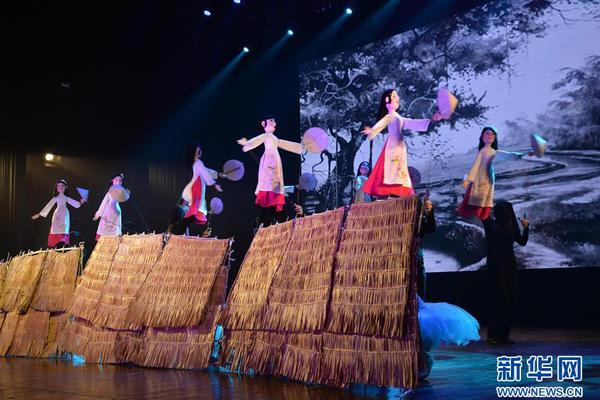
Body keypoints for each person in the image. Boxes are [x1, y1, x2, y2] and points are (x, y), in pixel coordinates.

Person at [362, 89, 441, 198]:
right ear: (387, 100)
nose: (397, 98)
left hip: (399, 149)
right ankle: (395, 193)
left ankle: (406, 192)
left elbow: (413, 123)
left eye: (397, 96)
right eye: (394, 96)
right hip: (393, 148)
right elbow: (381, 124)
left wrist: (431, 121)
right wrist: (372, 131)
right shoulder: (390, 116)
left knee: (401, 171)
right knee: (394, 171)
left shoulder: (399, 118)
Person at [237, 116, 301, 228]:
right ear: (264, 124)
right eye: (271, 121)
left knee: (276, 184)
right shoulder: (266, 136)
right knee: (269, 184)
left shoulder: (274, 138)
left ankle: (274, 204)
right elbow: (257, 140)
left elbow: (284, 143)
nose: (274, 123)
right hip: (269, 163)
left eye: (274, 121)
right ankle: (269, 204)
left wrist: (300, 147)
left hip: (275, 164)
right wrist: (247, 144)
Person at [483, 201, 529, 345]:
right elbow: (482, 212)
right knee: (498, 299)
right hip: (495, 267)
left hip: (510, 266)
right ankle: (493, 334)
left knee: (509, 299)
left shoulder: (511, 227)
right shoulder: (490, 224)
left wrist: (526, 228)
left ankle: (504, 335)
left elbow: (522, 241)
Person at [457, 127, 522, 220]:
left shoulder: (490, 151)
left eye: (492, 134)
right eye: (487, 133)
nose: (489, 136)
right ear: (482, 136)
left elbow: (506, 155)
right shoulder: (484, 151)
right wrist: (468, 180)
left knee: (480, 206)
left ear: (495, 138)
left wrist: (518, 155)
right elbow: (476, 167)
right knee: (477, 206)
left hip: (485, 182)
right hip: (480, 182)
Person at [180, 144, 222, 234]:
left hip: (197, 186)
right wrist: (214, 184)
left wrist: (218, 174)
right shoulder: (198, 162)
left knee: (194, 208)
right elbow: (205, 173)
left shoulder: (197, 162)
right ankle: (183, 229)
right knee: (194, 207)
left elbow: (206, 171)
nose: (200, 152)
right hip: (196, 186)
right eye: (198, 151)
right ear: (194, 153)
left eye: (200, 150)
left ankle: (184, 229)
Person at [31, 179, 85, 248]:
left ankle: (63, 243)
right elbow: (49, 205)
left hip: (65, 214)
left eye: (62, 186)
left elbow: (75, 204)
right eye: (58, 186)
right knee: (55, 229)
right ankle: (55, 244)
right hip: (57, 214)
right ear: (56, 188)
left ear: (65, 187)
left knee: (64, 229)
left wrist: (81, 202)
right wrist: (40, 214)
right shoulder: (56, 197)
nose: (60, 187)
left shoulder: (66, 198)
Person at [93, 173, 126, 239]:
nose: (118, 182)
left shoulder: (119, 193)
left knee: (115, 233)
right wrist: (99, 212)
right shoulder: (109, 193)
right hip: (108, 214)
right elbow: (103, 203)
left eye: (120, 181)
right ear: (112, 181)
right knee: (105, 233)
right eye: (116, 180)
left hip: (116, 215)